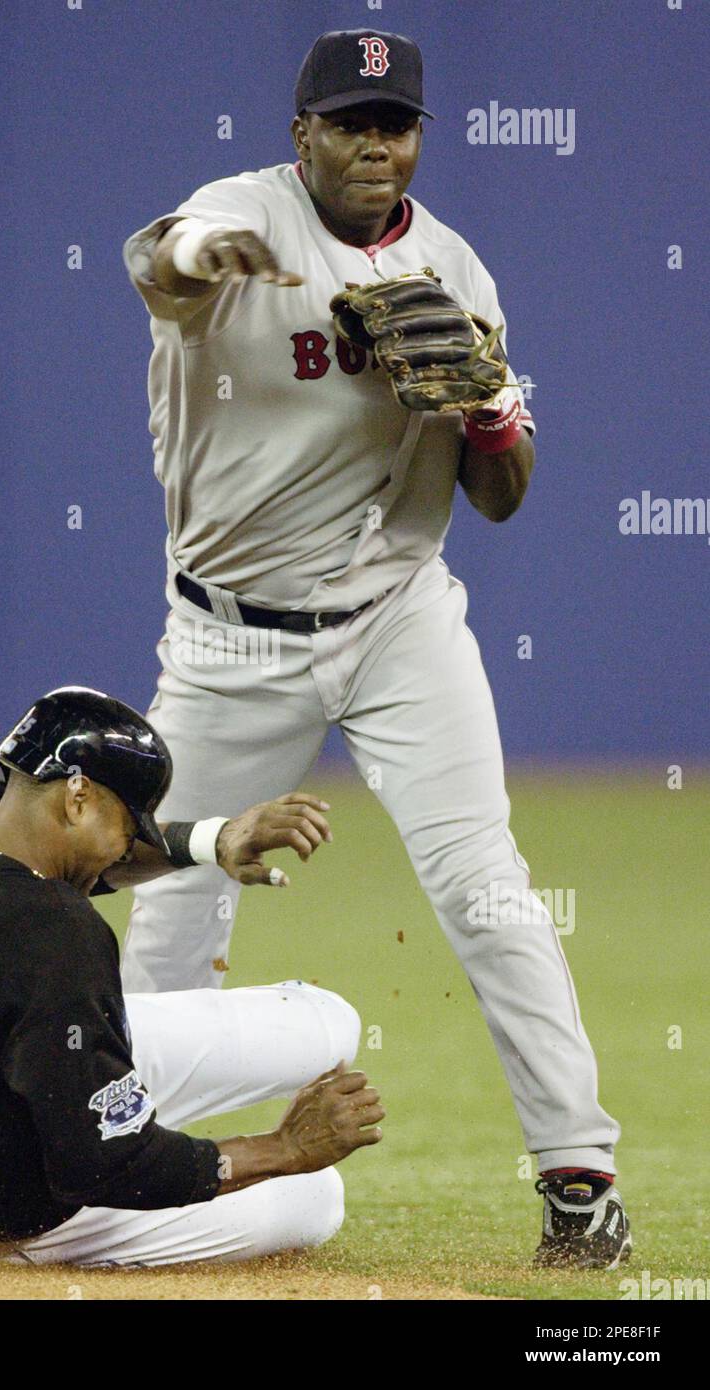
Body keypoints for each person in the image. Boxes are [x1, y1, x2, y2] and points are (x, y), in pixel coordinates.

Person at [120, 28, 629, 1268]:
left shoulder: (453, 269)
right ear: (301, 133)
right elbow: (159, 265)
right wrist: (199, 254)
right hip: (230, 637)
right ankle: (118, 1168)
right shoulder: (238, 217)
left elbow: (500, 494)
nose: (372, 144)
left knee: (485, 883)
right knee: (169, 907)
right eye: (347, 121)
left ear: (415, 137)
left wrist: (492, 415)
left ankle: (577, 1175)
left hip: (399, 615)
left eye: (392, 123)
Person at [0, 686, 382, 1268]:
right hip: (14, 1206)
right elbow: (109, 1164)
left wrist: (211, 841)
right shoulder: (57, 939)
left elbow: (70, 871)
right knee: (316, 1199)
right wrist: (283, 1148)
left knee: (329, 1023)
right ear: (77, 795)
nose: (125, 847)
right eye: (126, 825)